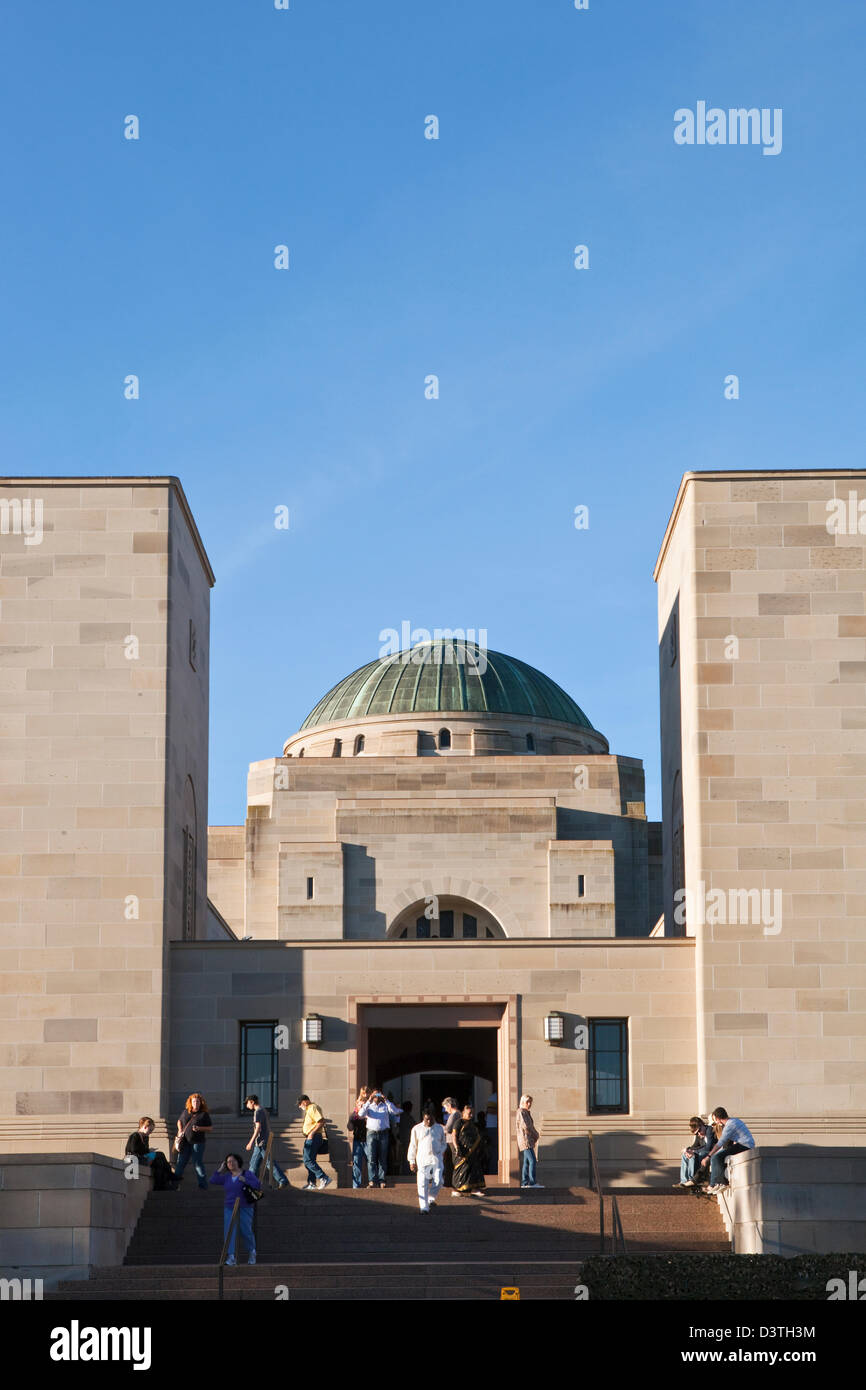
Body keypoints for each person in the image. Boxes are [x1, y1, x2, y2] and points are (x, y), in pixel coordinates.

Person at [210, 1153, 261, 1266]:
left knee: (246, 1231)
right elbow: (213, 1180)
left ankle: (252, 1252)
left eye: (233, 1161)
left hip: (245, 1207)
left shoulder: (247, 1173)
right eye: (228, 1162)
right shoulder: (227, 1176)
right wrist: (220, 1168)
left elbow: (257, 1184)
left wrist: (245, 1180)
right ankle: (231, 1256)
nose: (231, 1164)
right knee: (229, 1231)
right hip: (229, 1207)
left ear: (238, 1162)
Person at [700, 1107, 756, 1192]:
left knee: (716, 1157)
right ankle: (715, 1183)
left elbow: (720, 1143)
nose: (716, 1123)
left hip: (744, 1146)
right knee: (719, 1156)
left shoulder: (729, 1125)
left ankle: (722, 1183)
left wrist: (708, 1156)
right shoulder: (735, 1121)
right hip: (746, 1144)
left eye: (715, 1120)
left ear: (718, 1119)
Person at [357, 1088, 401, 1188]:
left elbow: (394, 1111)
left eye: (378, 1095)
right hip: (371, 1133)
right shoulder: (368, 1106)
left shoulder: (385, 1106)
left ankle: (382, 1180)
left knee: (382, 1158)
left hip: (384, 1133)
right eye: (375, 1095)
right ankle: (372, 1180)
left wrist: (386, 1100)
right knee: (371, 1158)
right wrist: (369, 1100)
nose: (376, 1097)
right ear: (371, 1096)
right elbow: (360, 1114)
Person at [407, 1106, 447, 1213]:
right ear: (423, 1118)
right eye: (426, 1119)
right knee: (422, 1183)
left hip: (436, 1159)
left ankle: (431, 1197)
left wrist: (441, 1151)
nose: (428, 1121)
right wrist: (412, 1161)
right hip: (422, 1159)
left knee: (439, 1181)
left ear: (434, 1117)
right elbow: (413, 1146)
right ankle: (424, 1207)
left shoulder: (439, 1128)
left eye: (431, 1119)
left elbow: (444, 1143)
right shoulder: (416, 1129)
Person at [244, 1094, 288, 1189]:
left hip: (261, 1142)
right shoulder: (264, 1110)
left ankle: (282, 1180)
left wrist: (250, 1142)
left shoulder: (258, 1112)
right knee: (254, 1164)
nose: (247, 1106)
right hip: (263, 1141)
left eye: (247, 1103)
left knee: (268, 1162)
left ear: (252, 1102)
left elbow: (258, 1128)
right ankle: (251, 1184)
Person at [174, 1092, 213, 1190]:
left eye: (198, 1101)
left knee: (198, 1164)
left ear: (201, 1103)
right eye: (194, 1101)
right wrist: (180, 1130)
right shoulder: (185, 1112)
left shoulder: (204, 1114)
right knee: (180, 1163)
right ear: (190, 1103)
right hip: (185, 1143)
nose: (196, 1103)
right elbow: (179, 1121)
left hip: (198, 1143)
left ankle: (203, 1187)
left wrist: (199, 1128)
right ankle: (174, 1185)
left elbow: (210, 1128)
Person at [124, 1117, 174, 1191]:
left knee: (159, 1163)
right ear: (144, 1127)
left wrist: (148, 1151)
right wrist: (148, 1151)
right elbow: (132, 1150)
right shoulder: (135, 1136)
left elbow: (144, 1151)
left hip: (143, 1158)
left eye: (152, 1130)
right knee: (160, 1154)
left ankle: (160, 1186)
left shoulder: (146, 1137)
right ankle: (171, 1176)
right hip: (135, 1159)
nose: (151, 1132)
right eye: (150, 1130)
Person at [298, 1095, 330, 1190]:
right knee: (310, 1160)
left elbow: (321, 1121)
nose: (300, 1106)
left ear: (304, 1102)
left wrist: (312, 1133)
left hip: (313, 1137)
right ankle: (312, 1183)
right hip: (312, 1137)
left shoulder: (312, 1107)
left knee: (308, 1160)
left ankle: (324, 1178)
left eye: (300, 1104)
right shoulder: (310, 1109)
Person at [452, 1104, 485, 1197]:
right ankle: (456, 1190)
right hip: (461, 1151)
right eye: (469, 1113)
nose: (471, 1115)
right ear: (463, 1113)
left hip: (472, 1151)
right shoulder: (459, 1122)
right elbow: (454, 1136)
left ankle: (474, 1189)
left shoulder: (472, 1124)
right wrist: (457, 1147)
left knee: (474, 1169)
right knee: (461, 1170)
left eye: (472, 1113)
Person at [673, 1116, 714, 1188]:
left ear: (702, 1125)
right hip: (702, 1153)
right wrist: (688, 1150)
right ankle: (684, 1181)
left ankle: (691, 1180)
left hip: (711, 1153)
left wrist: (693, 1151)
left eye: (699, 1131)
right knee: (685, 1155)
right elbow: (695, 1145)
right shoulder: (699, 1134)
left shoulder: (709, 1130)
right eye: (696, 1134)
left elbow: (708, 1147)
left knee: (694, 1155)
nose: (699, 1134)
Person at [516, 1094, 543, 1189]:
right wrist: (535, 1134)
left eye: (530, 1102)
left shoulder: (525, 1112)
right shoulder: (521, 1112)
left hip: (528, 1140)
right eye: (527, 1102)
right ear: (523, 1102)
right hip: (525, 1140)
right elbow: (526, 1126)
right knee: (532, 1160)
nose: (529, 1104)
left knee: (527, 1162)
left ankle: (524, 1182)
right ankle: (532, 1182)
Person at [348, 1086, 370, 1189]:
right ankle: (356, 1185)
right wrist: (352, 1119)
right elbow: (350, 1127)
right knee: (356, 1163)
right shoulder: (355, 1115)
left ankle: (372, 1182)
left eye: (362, 1104)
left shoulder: (369, 1113)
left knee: (370, 1161)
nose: (360, 1106)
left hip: (368, 1140)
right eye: (359, 1104)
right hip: (358, 1140)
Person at [441, 1097, 462, 1189]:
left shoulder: (454, 1115)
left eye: (446, 1107)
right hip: (451, 1140)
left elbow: (448, 1129)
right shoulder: (458, 1114)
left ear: (449, 1106)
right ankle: (448, 1182)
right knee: (449, 1162)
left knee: (449, 1162)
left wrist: (441, 1127)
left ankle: (449, 1182)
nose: (445, 1110)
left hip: (451, 1141)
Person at [398, 1101, 415, 1175]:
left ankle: (405, 1171)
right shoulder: (408, 1117)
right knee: (407, 1156)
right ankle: (406, 1171)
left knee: (404, 1156)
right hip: (407, 1139)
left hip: (403, 1138)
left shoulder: (401, 1117)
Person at [485, 1091, 498, 1175]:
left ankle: (493, 1170)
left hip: (494, 1127)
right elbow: (490, 1110)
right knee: (494, 1151)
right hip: (492, 1127)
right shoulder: (494, 1097)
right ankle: (493, 1171)